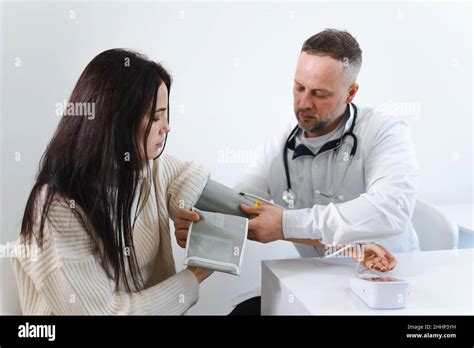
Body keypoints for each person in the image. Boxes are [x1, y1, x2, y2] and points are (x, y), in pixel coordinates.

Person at [174, 29, 419, 314]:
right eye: (299, 87)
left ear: (351, 92)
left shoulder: (384, 131)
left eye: (319, 94)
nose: (303, 103)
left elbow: (391, 208)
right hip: (319, 282)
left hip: (389, 286)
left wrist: (286, 223)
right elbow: (240, 202)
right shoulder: (281, 144)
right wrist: (202, 222)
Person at [11, 49, 213, 315]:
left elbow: (193, 175)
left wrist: (182, 211)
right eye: (155, 117)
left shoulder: (147, 167)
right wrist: (192, 277)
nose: (167, 127)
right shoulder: (56, 208)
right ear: (116, 121)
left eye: (166, 114)